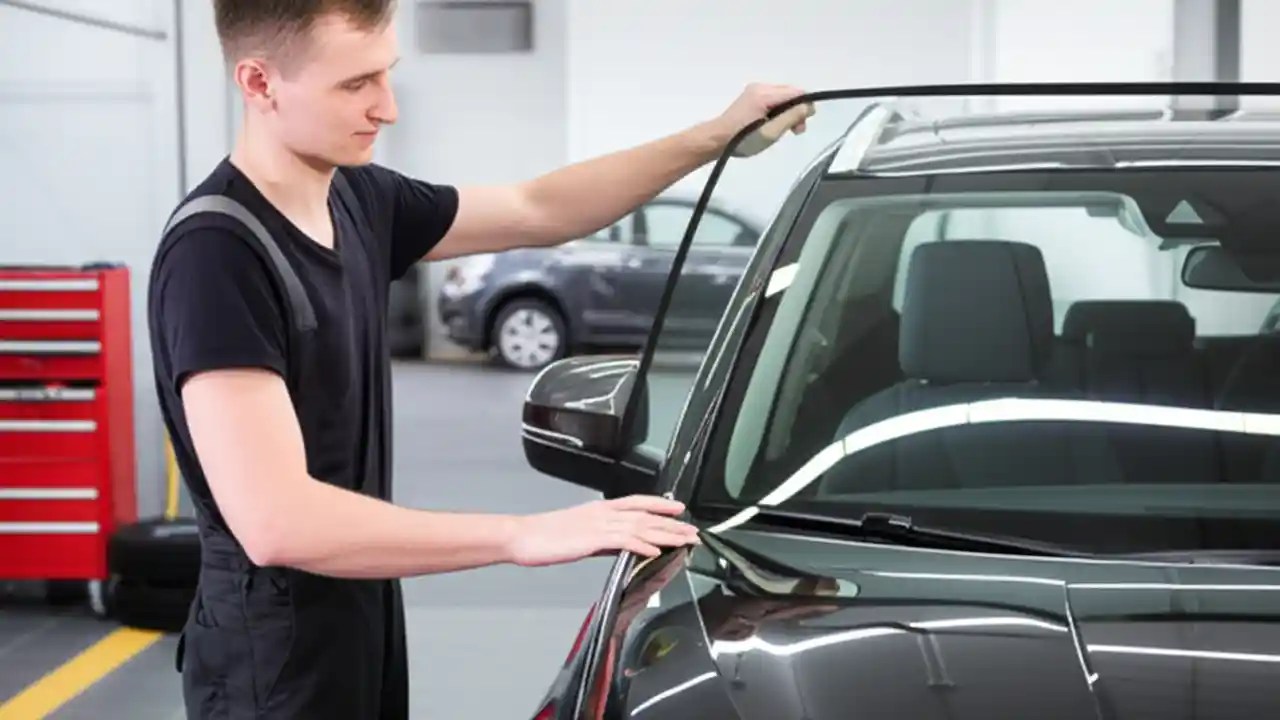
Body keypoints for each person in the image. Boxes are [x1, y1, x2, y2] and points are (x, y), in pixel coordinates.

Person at [147, 1, 808, 718]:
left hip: (358, 626)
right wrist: (523, 534)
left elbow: (539, 207)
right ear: (258, 81)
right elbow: (278, 522)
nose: (387, 108)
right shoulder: (217, 256)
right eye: (355, 84)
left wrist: (714, 137)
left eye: (387, 75)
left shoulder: (360, 200)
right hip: (268, 663)